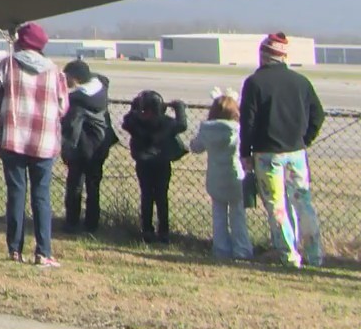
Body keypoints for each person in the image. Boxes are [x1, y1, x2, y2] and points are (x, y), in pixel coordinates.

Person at [0, 21, 68, 267]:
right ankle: (43, 252)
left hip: (13, 139)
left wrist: (4, 113)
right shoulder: (55, 71)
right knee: (41, 196)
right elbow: (63, 105)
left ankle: (14, 250)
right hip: (44, 142)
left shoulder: (7, 65)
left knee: (16, 194)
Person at [238, 32, 324, 267]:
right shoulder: (301, 82)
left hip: (267, 154)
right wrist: (305, 139)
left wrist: (245, 153)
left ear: (263, 55)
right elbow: (318, 114)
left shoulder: (254, 83)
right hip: (297, 153)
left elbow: (248, 122)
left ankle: (288, 255)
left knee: (277, 206)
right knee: (303, 203)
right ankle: (314, 254)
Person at [190, 91, 253, 260]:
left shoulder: (207, 130)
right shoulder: (238, 130)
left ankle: (221, 250)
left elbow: (196, 147)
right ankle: (242, 250)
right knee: (238, 215)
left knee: (219, 215)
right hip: (235, 176)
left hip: (215, 178)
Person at [121, 89, 188, 245]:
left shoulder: (136, 122)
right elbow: (182, 125)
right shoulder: (167, 123)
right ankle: (163, 233)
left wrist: (134, 107)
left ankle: (147, 231)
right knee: (161, 197)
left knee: (147, 196)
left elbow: (126, 121)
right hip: (162, 163)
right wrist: (179, 107)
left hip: (144, 163)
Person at [58, 59, 117, 234]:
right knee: (93, 186)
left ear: (76, 79)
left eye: (67, 77)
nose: (65, 81)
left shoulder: (77, 101)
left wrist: (67, 150)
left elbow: (72, 128)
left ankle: (72, 223)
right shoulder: (101, 89)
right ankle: (92, 224)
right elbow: (101, 77)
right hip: (100, 146)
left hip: (82, 148)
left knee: (75, 186)